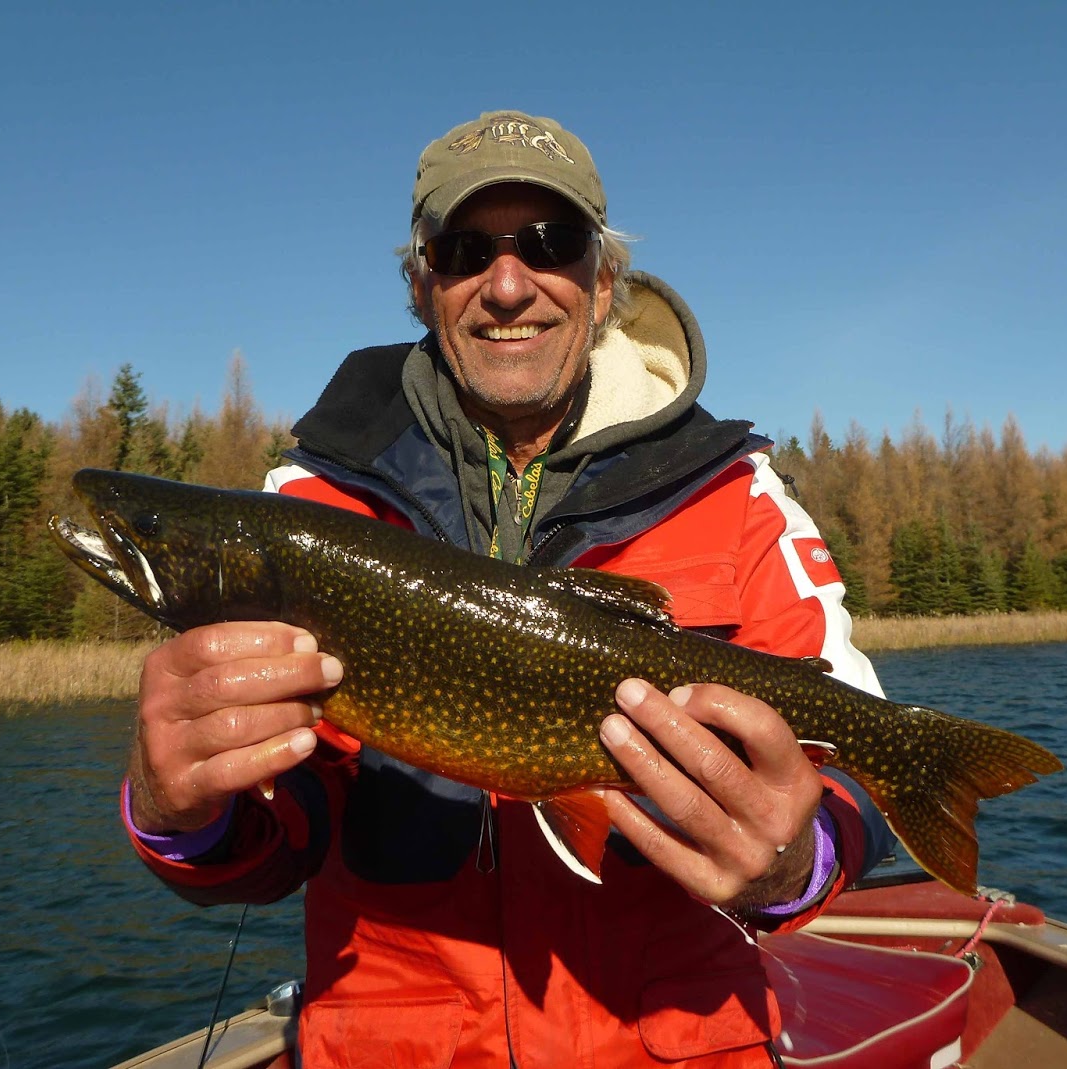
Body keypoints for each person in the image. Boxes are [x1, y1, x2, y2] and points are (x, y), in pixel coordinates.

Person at [122, 110, 895, 1068]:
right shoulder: (310, 507)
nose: (508, 282)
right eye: (464, 248)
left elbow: (863, 748)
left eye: (550, 242)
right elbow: (281, 831)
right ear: (422, 283)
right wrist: (178, 812)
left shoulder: (740, 493)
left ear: (604, 279)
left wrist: (796, 861)